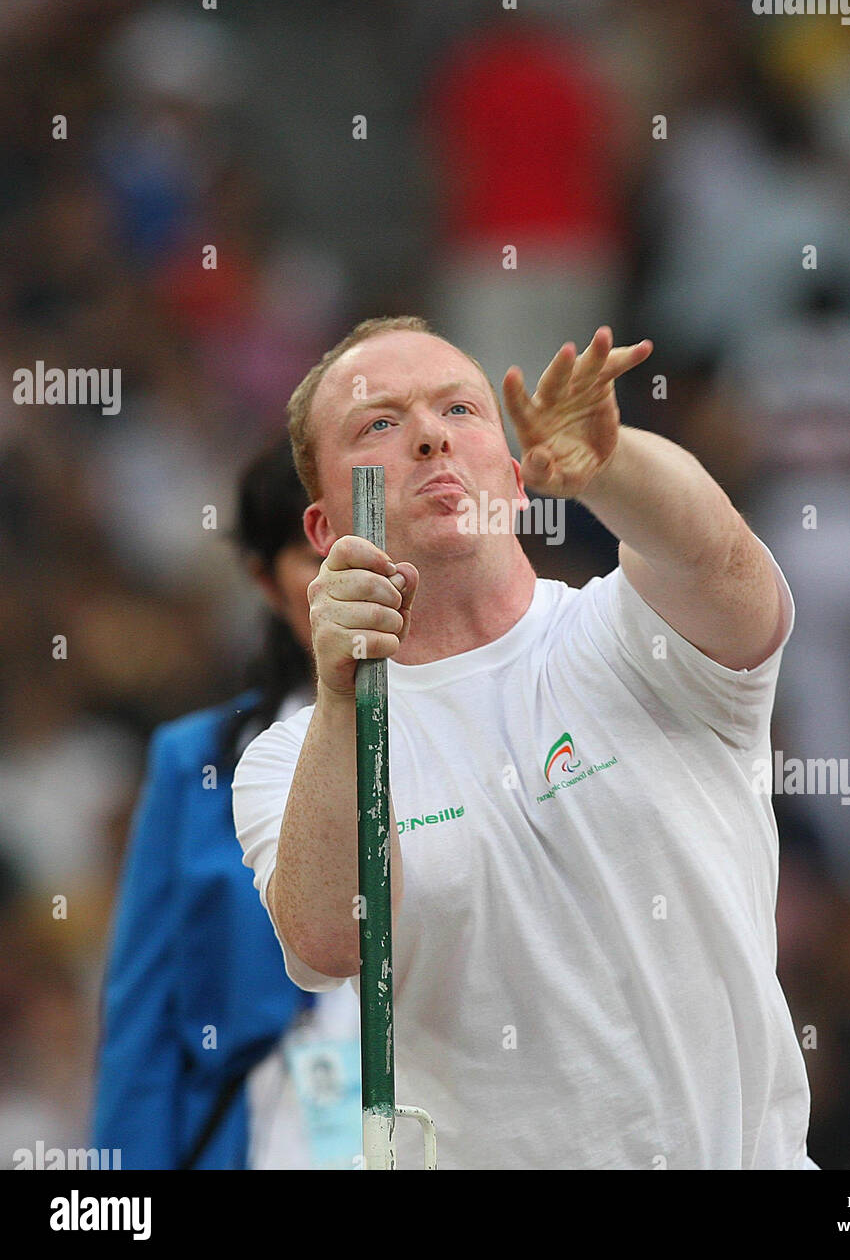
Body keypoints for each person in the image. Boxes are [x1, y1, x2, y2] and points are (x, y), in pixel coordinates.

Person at [233, 314, 818, 1169]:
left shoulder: (632, 635)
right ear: (324, 531)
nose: (430, 436)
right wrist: (340, 693)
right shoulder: (288, 758)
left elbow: (718, 556)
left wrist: (611, 467)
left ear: (512, 481)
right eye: (380, 424)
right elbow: (333, 943)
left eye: (461, 411)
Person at [92, 435, 362, 1169]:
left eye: (370, 547)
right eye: (318, 559)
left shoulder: (487, 729)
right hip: (259, 1139)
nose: (351, 579)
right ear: (265, 581)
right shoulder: (198, 763)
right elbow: (143, 1023)